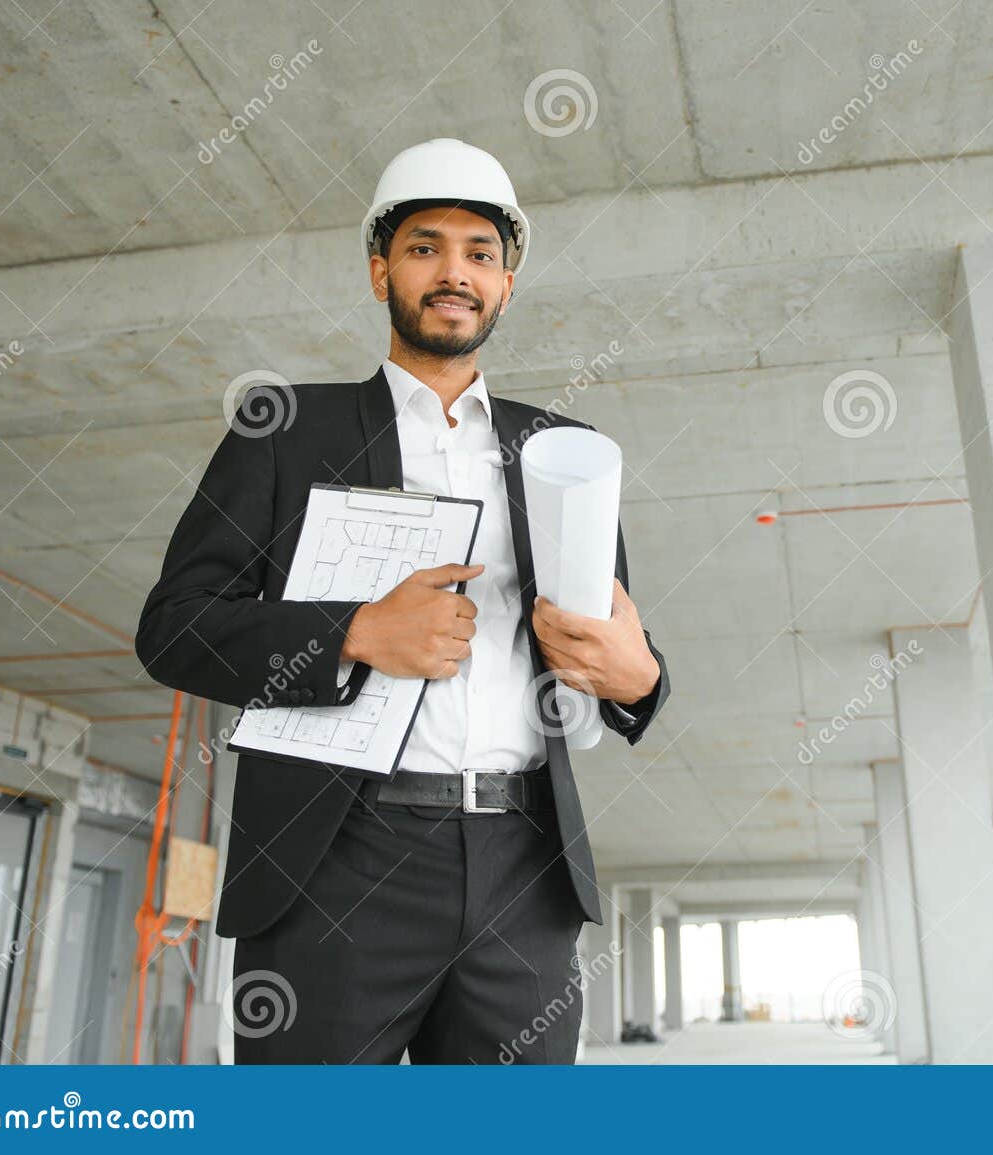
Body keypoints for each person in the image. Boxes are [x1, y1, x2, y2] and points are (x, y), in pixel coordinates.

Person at [135, 138, 669, 1064]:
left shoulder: (565, 450)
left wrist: (640, 680)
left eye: (481, 253)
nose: (454, 272)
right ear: (380, 268)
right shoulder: (285, 431)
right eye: (425, 247)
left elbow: (614, 642)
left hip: (522, 873)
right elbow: (174, 630)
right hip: (337, 864)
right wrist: (353, 634)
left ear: (507, 284)